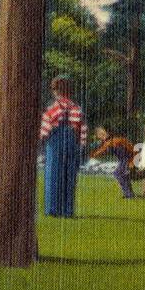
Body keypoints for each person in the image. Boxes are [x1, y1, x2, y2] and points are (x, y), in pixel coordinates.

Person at [39, 76, 86, 218]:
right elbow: (82, 130)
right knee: (69, 177)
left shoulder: (52, 109)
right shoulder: (77, 109)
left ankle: (52, 209)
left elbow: (44, 131)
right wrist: (82, 145)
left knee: (53, 177)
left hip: (54, 147)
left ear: (56, 91)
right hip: (72, 146)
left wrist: (41, 140)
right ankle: (67, 210)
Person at [90, 126, 136, 199]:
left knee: (118, 174)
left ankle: (129, 194)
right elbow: (102, 150)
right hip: (123, 160)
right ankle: (129, 194)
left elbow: (132, 149)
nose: (101, 137)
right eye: (100, 135)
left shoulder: (116, 140)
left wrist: (132, 162)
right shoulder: (109, 141)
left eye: (102, 134)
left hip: (128, 159)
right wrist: (93, 155)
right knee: (122, 175)